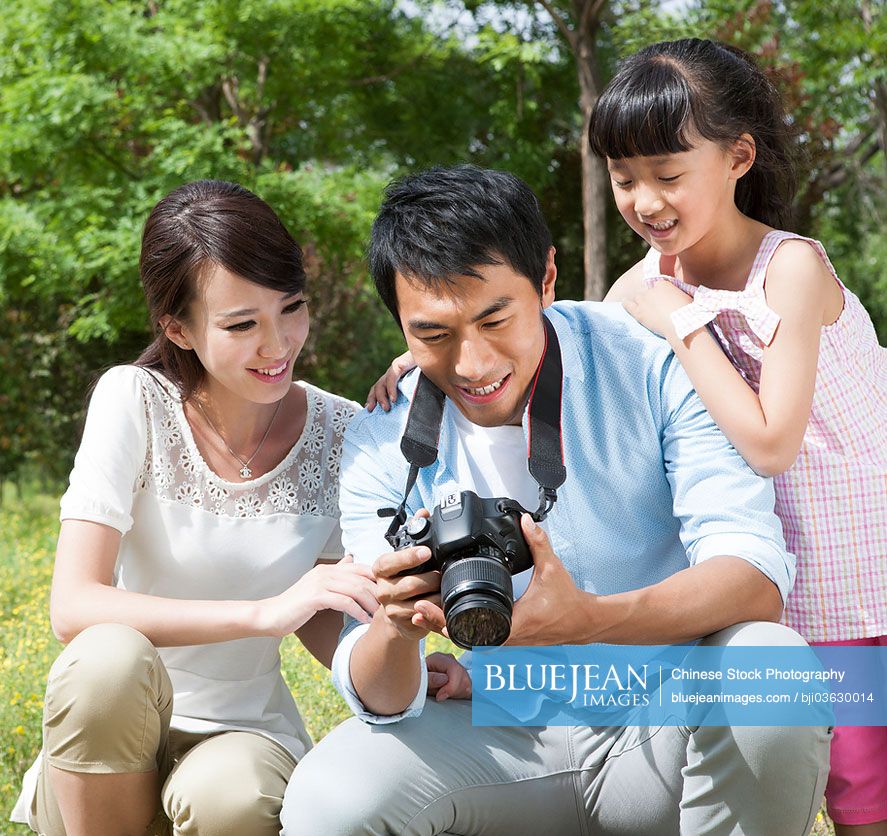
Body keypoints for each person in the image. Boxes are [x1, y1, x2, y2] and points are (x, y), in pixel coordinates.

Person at [279, 164, 832, 836]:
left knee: (767, 669)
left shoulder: (651, 363)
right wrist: (394, 627)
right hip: (499, 728)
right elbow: (383, 700)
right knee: (330, 800)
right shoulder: (381, 444)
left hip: (663, 721)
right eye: (432, 335)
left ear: (545, 277)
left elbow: (752, 579)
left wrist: (585, 618)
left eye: (494, 318)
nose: (473, 364)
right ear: (398, 322)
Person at [8, 179, 386, 836]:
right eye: (241, 324)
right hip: (107, 742)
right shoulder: (134, 401)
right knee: (106, 660)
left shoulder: (340, 430)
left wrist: (400, 648)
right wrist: (263, 612)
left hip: (241, 737)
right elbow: (73, 607)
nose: (277, 345)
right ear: (176, 328)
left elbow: (326, 621)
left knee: (233, 798)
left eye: (290, 307)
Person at [589, 39, 886, 835]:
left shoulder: (787, 268)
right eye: (623, 179)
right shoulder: (643, 283)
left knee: (860, 782)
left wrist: (679, 321)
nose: (643, 201)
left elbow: (768, 444)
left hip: (854, 564)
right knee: (766, 751)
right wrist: (444, 346)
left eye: (666, 174)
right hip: (755, 562)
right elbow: (563, 351)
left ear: (736, 158)